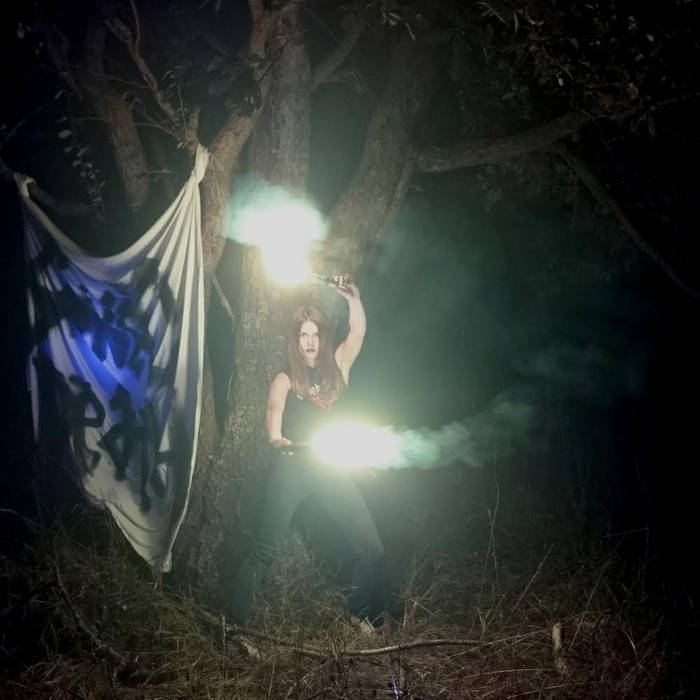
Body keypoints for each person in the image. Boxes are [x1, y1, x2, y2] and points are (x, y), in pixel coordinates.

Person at [230, 278, 384, 624]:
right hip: (293, 469)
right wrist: (275, 437)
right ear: (296, 340)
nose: (310, 341)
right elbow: (274, 411)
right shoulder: (285, 379)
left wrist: (353, 299)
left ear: (323, 338)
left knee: (371, 548)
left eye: (315, 334)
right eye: (304, 335)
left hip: (331, 470)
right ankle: (235, 629)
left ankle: (356, 618)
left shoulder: (338, 367)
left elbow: (358, 332)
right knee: (264, 551)